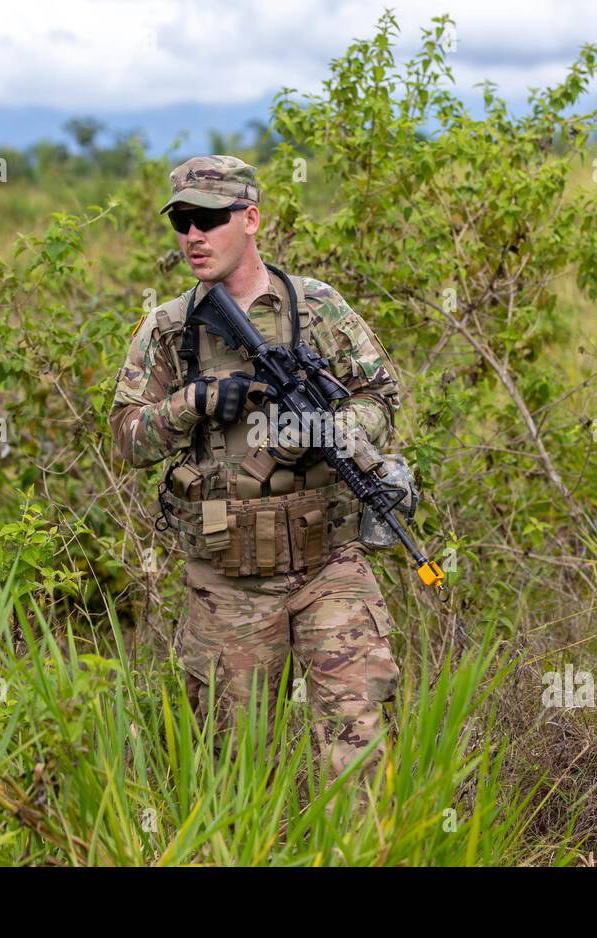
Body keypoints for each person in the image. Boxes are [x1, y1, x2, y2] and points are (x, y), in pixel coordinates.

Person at [109, 155, 403, 783]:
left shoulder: (317, 307)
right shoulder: (169, 328)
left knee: (361, 749)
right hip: (228, 576)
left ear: (250, 219)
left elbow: (384, 396)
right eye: (181, 221)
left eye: (209, 219)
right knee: (232, 768)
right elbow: (127, 438)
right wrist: (193, 404)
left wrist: (332, 431)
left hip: (330, 561)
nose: (193, 235)